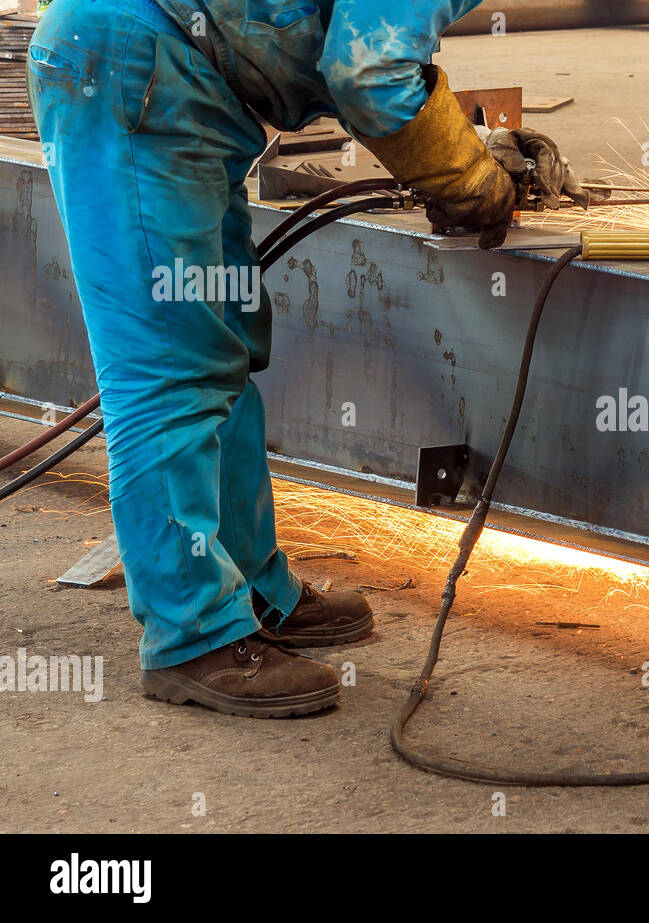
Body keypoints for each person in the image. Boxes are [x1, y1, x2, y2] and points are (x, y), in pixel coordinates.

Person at [27, 0, 583, 717]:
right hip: (133, 66)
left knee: (219, 343)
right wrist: (467, 178)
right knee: (170, 366)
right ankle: (191, 635)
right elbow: (369, 71)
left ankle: (250, 587)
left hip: (182, 81)